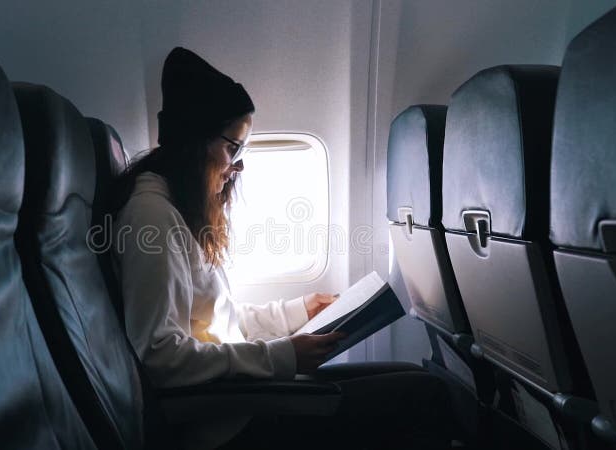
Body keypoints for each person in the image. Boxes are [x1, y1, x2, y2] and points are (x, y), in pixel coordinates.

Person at [108, 47, 456, 450]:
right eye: (233, 149)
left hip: (239, 400)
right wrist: (282, 357)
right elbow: (161, 357)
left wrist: (296, 313)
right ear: (194, 139)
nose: (238, 167)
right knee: (423, 397)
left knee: (410, 375)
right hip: (225, 424)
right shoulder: (151, 216)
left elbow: (215, 324)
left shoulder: (178, 209)